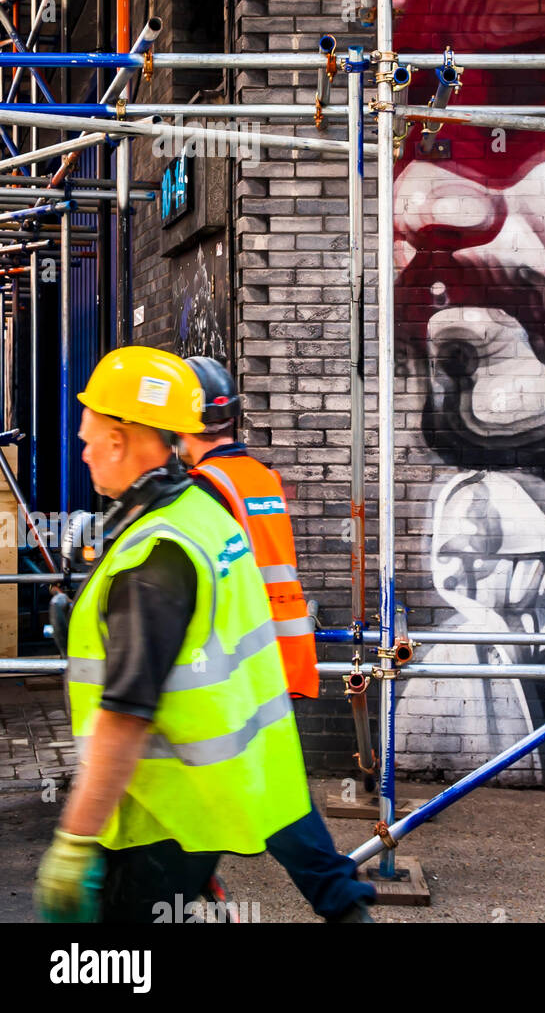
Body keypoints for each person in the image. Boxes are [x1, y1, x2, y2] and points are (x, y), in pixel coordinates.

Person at [36, 346, 312, 924]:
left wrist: (73, 841)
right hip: (194, 810)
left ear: (119, 438)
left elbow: (125, 714)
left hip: (150, 823)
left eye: (88, 440)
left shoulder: (155, 555)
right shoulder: (201, 514)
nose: (83, 454)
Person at [178, 355, 375, 924]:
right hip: (275, 655)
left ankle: (336, 902)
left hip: (232, 667)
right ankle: (199, 891)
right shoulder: (260, 477)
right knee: (247, 786)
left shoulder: (205, 488)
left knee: (262, 795)